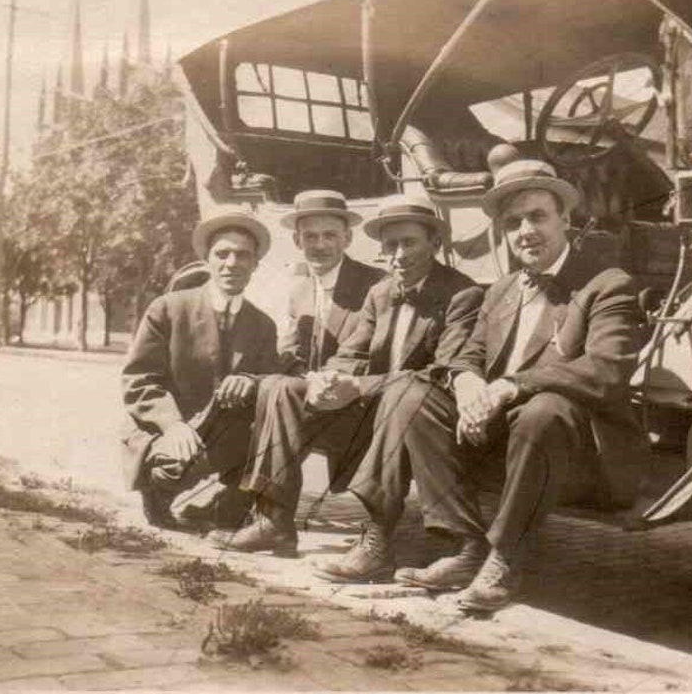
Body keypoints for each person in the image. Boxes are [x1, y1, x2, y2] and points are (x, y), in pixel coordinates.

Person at [314, 156, 651, 610]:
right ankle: (448, 545)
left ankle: (505, 559)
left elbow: (607, 369)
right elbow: (467, 355)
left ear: (565, 220)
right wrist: (469, 383)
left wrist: (511, 385)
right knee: (408, 390)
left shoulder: (605, 284)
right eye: (513, 223)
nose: (525, 231)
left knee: (545, 409)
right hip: (499, 440)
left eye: (537, 216)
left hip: (577, 457)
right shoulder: (502, 290)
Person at [208, 196, 482, 557]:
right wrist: (328, 378)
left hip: (421, 418)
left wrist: (359, 386)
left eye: (409, 243)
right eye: (391, 245)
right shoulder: (381, 293)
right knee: (281, 388)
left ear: (435, 243)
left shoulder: (463, 295)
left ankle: (377, 541)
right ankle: (274, 520)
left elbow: (441, 374)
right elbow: (353, 352)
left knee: (403, 395)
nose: (399, 255)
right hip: (371, 410)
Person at [120, 209, 279, 529]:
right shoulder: (168, 308)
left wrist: (250, 380)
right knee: (170, 467)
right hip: (166, 427)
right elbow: (138, 380)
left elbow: (271, 379)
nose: (232, 263)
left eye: (243, 255)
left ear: (255, 265)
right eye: (222, 254)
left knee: (273, 437)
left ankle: (228, 503)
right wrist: (172, 425)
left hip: (225, 433)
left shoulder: (263, 325)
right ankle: (158, 492)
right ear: (207, 261)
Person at [276, 189, 386, 375]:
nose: (320, 245)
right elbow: (288, 351)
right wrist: (302, 375)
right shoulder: (299, 292)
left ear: (347, 238)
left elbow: (377, 355)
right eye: (310, 236)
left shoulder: (376, 284)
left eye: (330, 235)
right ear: (297, 240)